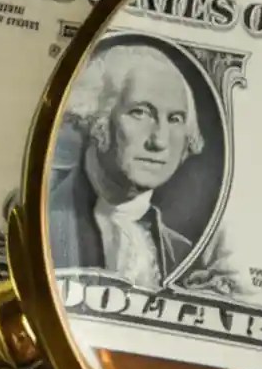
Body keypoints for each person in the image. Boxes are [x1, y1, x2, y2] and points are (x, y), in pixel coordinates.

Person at [47, 42, 206, 290]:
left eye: (175, 119)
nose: (159, 141)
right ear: (97, 118)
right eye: (140, 113)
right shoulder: (43, 220)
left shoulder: (186, 256)